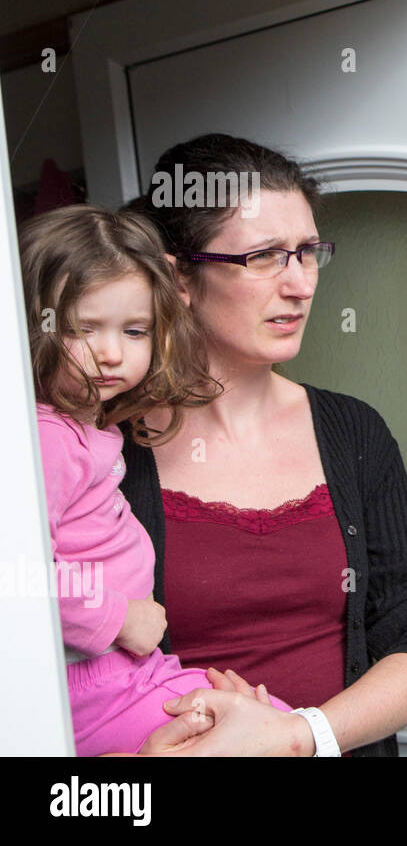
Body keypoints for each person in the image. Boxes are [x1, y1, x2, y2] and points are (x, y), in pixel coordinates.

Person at [117, 133, 407, 756]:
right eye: (266, 257)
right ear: (179, 279)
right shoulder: (103, 453)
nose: (300, 284)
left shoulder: (354, 432)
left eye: (307, 252)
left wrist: (301, 736)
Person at [21, 205, 295, 755]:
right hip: (92, 684)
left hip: (130, 670)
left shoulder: (85, 428)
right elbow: (21, 569)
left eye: (134, 329)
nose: (111, 353)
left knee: (278, 725)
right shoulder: (46, 440)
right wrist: (119, 618)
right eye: (82, 328)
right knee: (270, 735)